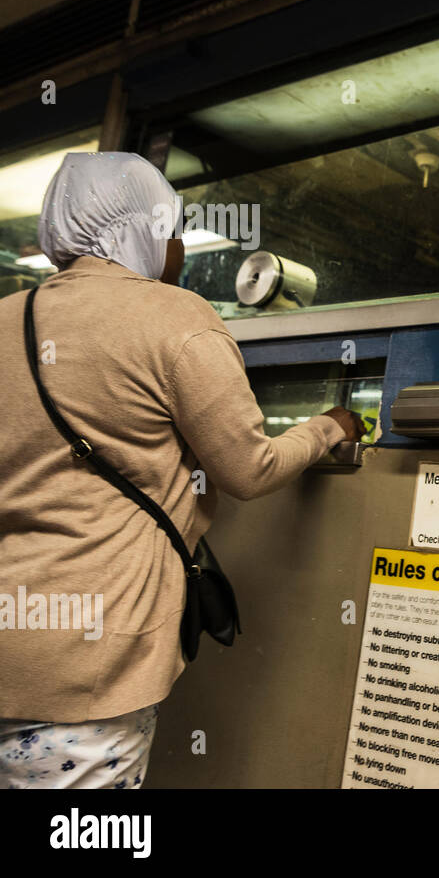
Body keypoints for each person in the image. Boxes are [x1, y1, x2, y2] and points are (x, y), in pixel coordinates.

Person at [0, 152, 364, 788]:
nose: (179, 251)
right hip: (91, 662)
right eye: (172, 231)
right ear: (137, 231)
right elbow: (249, 469)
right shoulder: (173, 315)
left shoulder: (7, 320)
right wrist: (330, 428)